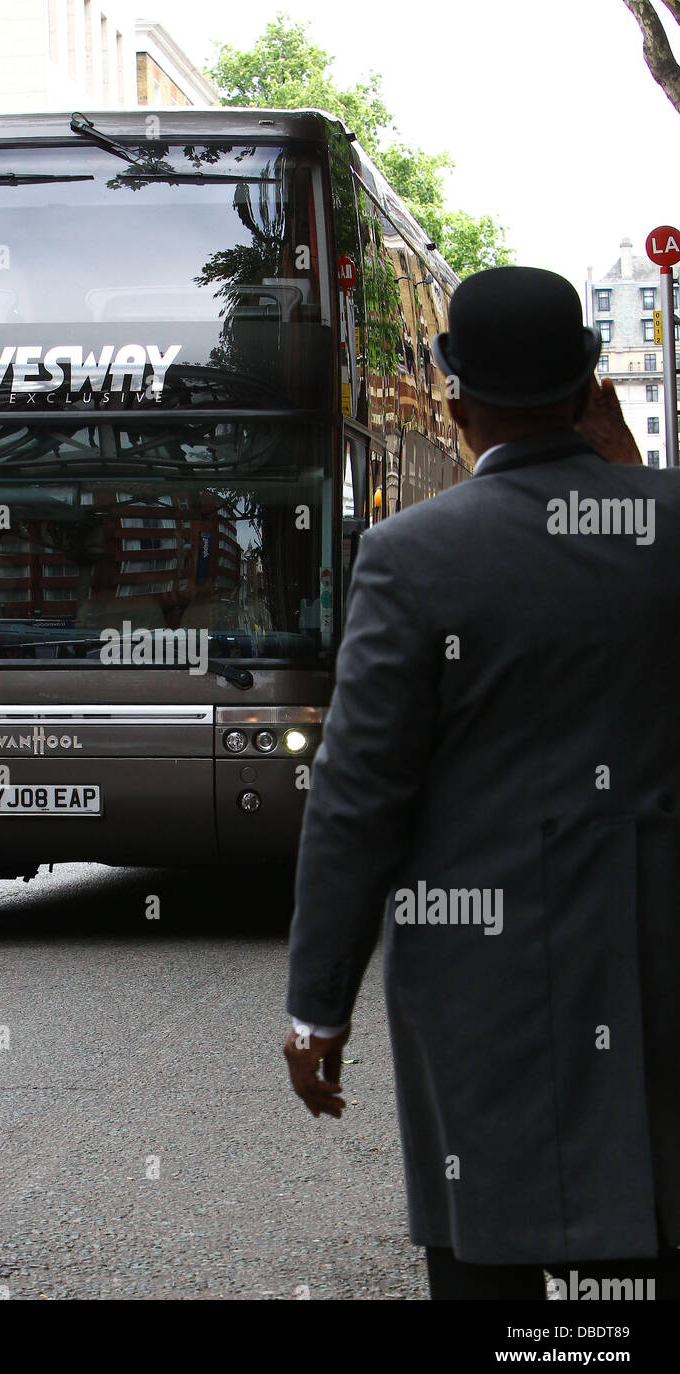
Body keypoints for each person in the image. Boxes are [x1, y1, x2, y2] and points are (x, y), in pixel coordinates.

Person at [284, 265, 680, 1300]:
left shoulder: (413, 556)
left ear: (453, 402)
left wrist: (317, 1009)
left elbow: (357, 798)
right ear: (594, 381)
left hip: (489, 991)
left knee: (499, 1261)